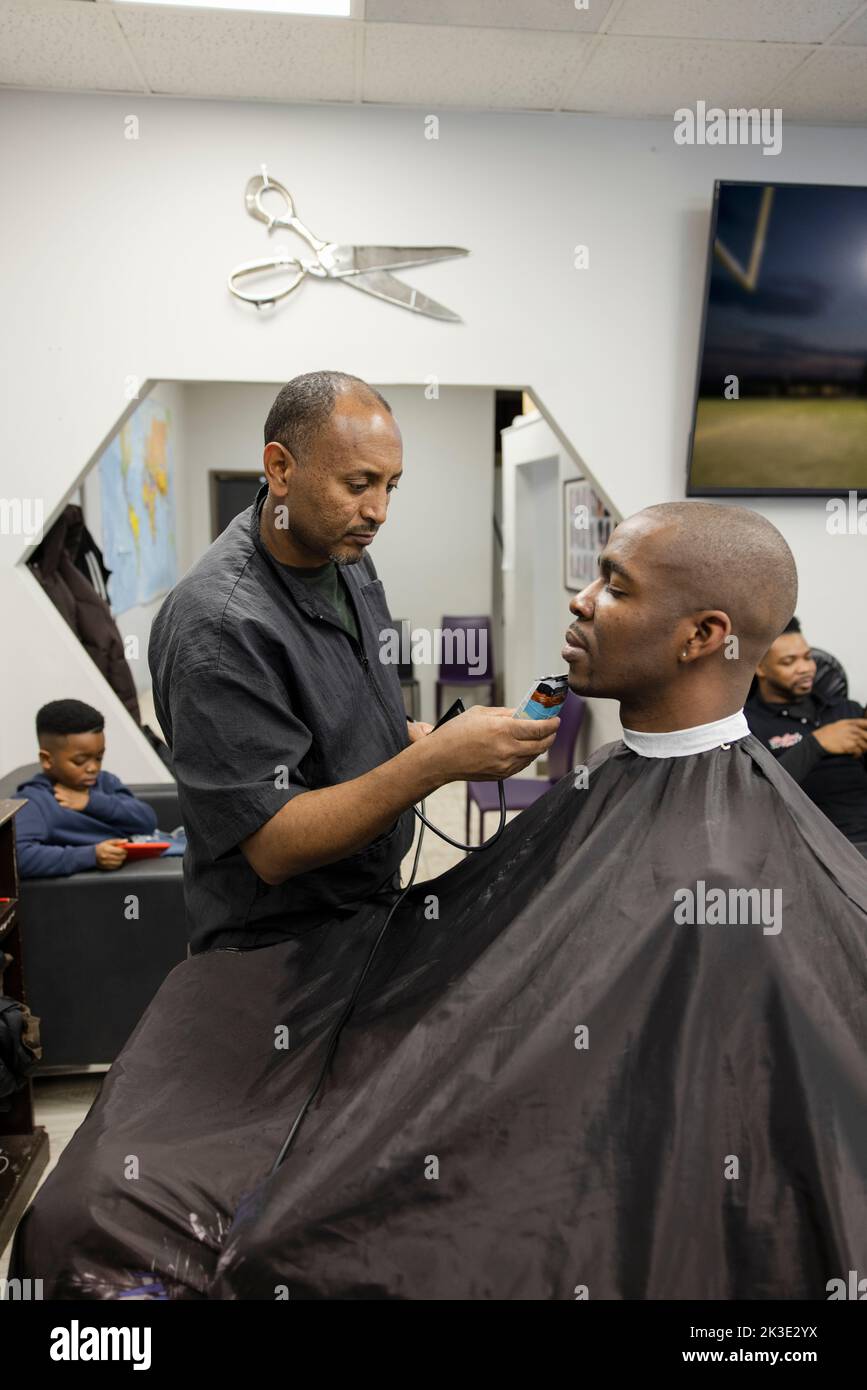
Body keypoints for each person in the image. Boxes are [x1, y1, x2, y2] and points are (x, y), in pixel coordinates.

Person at [9, 502, 867, 1300]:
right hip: (391, 1016)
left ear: (702, 636)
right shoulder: (619, 779)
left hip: (484, 1125)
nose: (581, 597)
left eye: (614, 584)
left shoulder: (719, 887)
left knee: (100, 1217)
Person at [147, 370, 559, 954]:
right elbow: (275, 844)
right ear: (281, 468)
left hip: (369, 896)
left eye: (392, 485)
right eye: (360, 482)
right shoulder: (220, 625)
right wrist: (435, 763)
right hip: (279, 945)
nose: (380, 510)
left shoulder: (344, 557)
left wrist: (412, 736)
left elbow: (346, 702)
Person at [745, 617, 867, 853]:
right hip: (817, 850)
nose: (805, 668)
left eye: (808, 657)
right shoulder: (748, 726)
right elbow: (753, 795)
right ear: (760, 667)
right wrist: (816, 744)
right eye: (789, 662)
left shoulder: (847, 710)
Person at [14, 700, 157, 878]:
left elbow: (147, 821)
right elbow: (18, 858)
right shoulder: (34, 801)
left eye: (99, 757)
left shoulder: (105, 782)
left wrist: (91, 802)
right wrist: (90, 856)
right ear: (47, 760)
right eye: (80, 761)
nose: (93, 768)